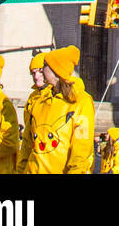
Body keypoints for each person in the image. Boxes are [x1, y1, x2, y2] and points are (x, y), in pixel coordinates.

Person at [22, 45, 95, 174]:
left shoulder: (82, 102)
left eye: (45, 65)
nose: (42, 70)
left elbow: (81, 150)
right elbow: (27, 145)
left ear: (55, 70)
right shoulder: (39, 101)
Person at [17, 52, 49, 173]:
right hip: (33, 165)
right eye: (33, 73)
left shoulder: (58, 96)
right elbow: (27, 139)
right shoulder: (32, 99)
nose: (36, 77)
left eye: (40, 71)